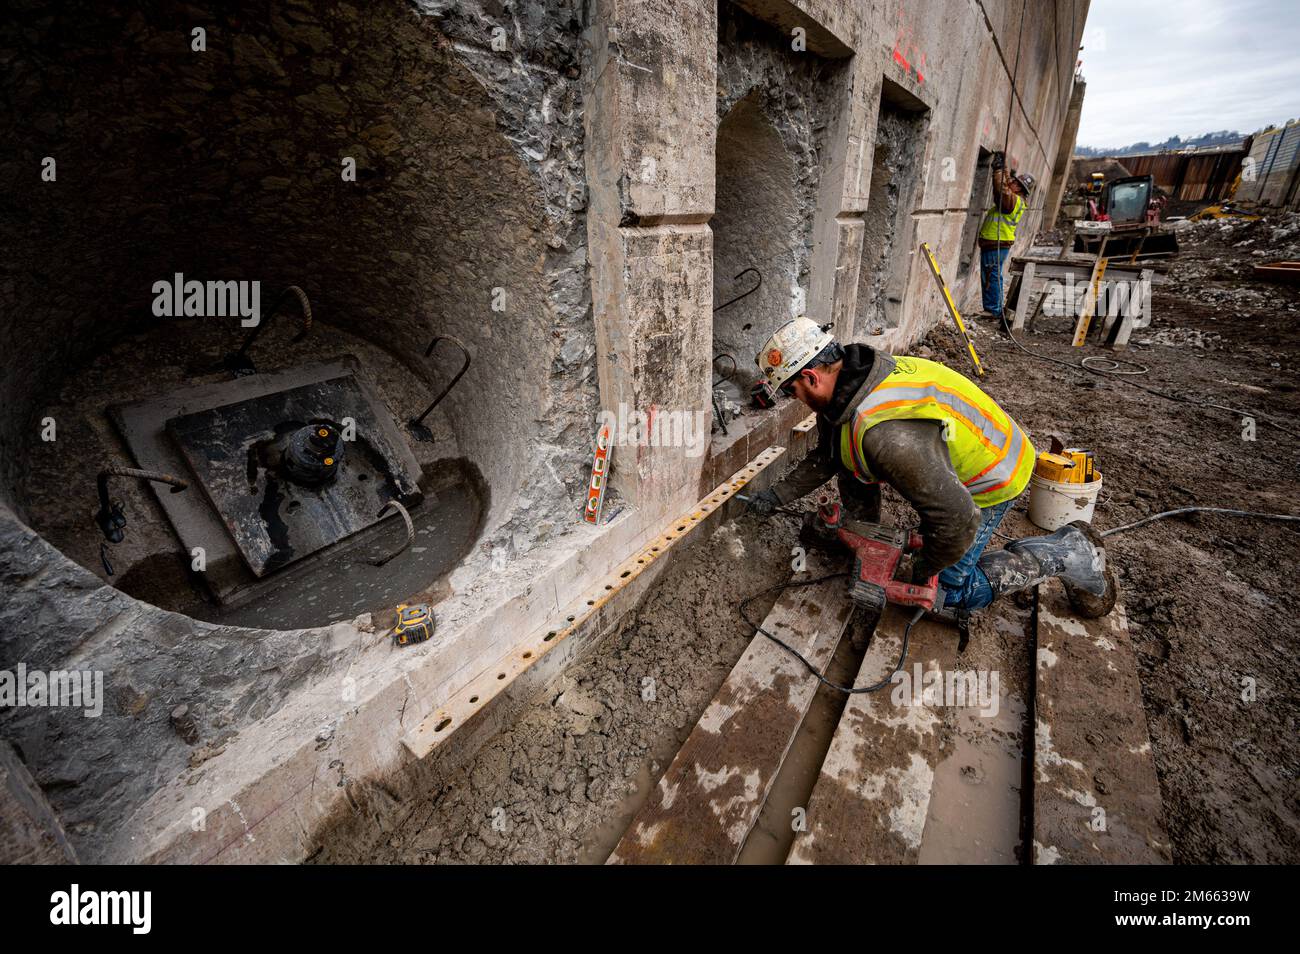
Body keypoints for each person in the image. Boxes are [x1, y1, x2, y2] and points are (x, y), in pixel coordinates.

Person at [746, 317, 1115, 619]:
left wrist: (924, 569)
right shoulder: (853, 378)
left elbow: (959, 519)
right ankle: (869, 537)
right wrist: (774, 495)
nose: (797, 401)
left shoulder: (885, 437)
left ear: (811, 377)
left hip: (994, 473)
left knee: (950, 594)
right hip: (953, 453)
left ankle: (1068, 551)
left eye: (793, 392)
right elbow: (830, 455)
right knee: (849, 459)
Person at [979, 153, 1035, 322]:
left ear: (1019, 188)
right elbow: (1005, 187)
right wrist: (1005, 171)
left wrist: (998, 170)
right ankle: (995, 307)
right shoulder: (1017, 200)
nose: (1012, 182)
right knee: (995, 274)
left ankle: (993, 310)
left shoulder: (1012, 200)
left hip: (996, 242)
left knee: (991, 275)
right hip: (999, 242)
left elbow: (1001, 190)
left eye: (1015, 182)